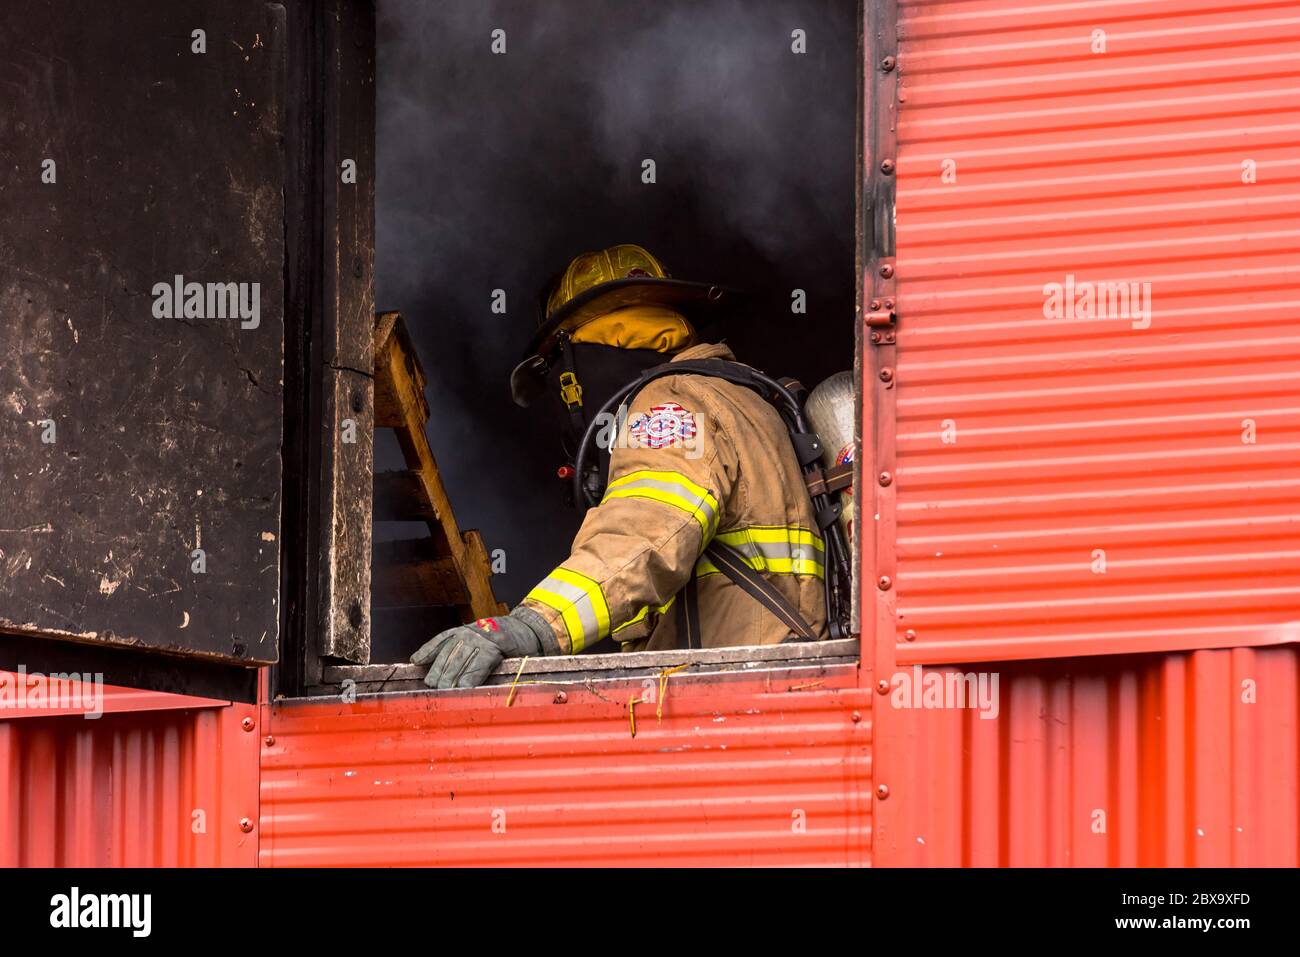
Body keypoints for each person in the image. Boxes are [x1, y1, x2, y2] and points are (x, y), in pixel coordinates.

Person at [412, 244, 828, 689]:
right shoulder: (745, 400)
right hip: (783, 689)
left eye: (559, 376)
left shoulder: (669, 402)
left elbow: (646, 532)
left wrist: (535, 626)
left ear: (577, 365)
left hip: (739, 702)